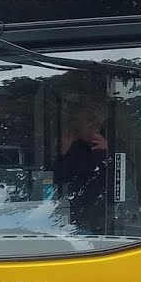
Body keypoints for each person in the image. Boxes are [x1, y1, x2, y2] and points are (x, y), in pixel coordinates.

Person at [52, 96, 110, 233]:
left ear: (92, 124)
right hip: (80, 213)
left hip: (109, 216)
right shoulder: (77, 147)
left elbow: (128, 174)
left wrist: (111, 151)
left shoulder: (113, 142)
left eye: (78, 123)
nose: (75, 128)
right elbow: (59, 177)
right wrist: (63, 154)